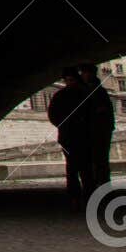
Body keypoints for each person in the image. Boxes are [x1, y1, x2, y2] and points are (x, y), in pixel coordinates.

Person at [47, 69, 87, 208]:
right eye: (68, 80)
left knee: (80, 168)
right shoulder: (81, 94)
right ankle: (77, 197)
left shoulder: (63, 95)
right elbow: (52, 115)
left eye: (72, 80)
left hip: (76, 135)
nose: (69, 83)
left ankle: (82, 196)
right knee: (74, 167)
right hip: (70, 136)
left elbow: (53, 115)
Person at [80, 64, 116, 199]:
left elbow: (102, 113)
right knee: (99, 163)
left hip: (96, 133)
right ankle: (101, 190)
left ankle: (95, 191)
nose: (83, 75)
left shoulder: (94, 92)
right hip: (98, 132)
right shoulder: (99, 91)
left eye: (84, 72)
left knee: (96, 162)